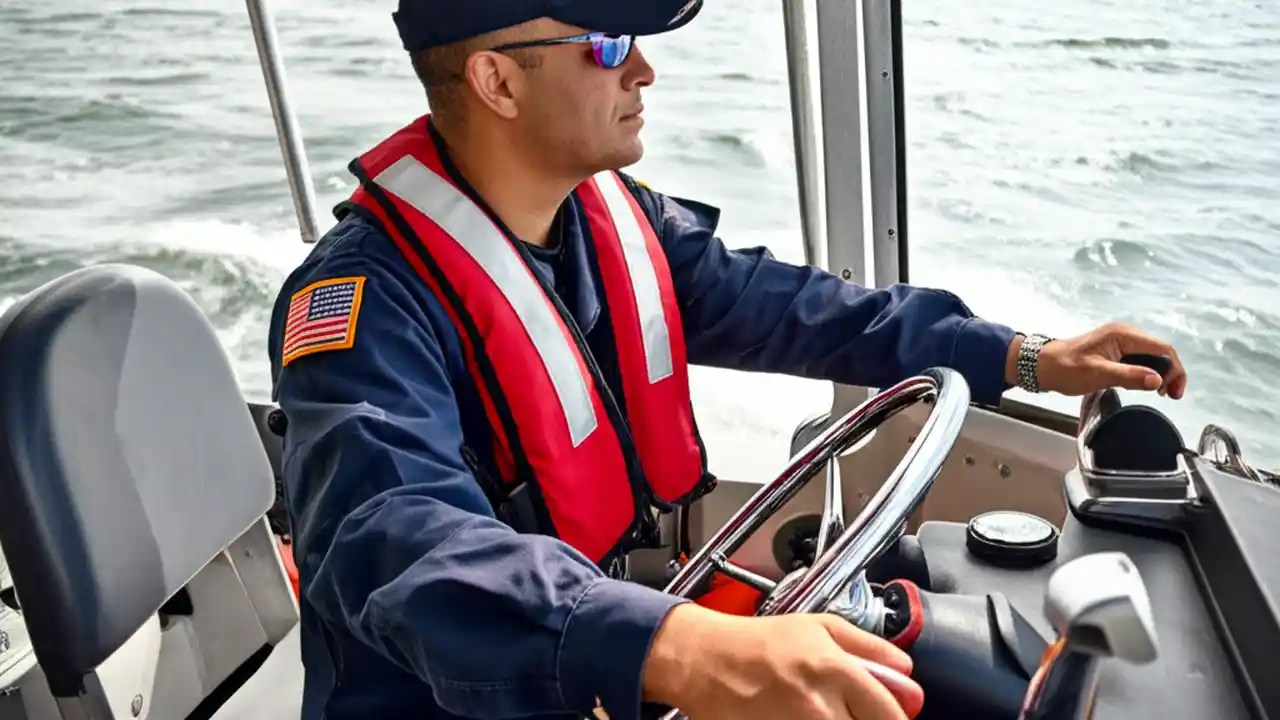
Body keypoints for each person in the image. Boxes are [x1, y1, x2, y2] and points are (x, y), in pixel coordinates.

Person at [266, 1, 1189, 719]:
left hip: (608, 651)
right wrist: (683, 648)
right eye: (608, 41)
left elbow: (815, 314)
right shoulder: (359, 309)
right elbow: (393, 540)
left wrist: (1027, 359)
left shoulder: (615, 227)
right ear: (498, 81)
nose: (643, 69)